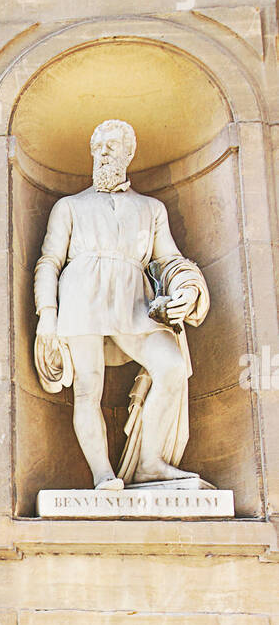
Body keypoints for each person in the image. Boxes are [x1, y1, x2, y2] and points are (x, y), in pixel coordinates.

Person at [34, 119, 209, 490]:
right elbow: (48, 261)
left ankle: (150, 462)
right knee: (87, 388)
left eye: (112, 145)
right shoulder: (69, 206)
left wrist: (186, 291)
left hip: (135, 301)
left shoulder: (152, 208)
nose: (103, 153)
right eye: (97, 147)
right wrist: (46, 316)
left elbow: (169, 261)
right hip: (81, 296)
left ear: (129, 152)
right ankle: (102, 475)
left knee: (173, 367)